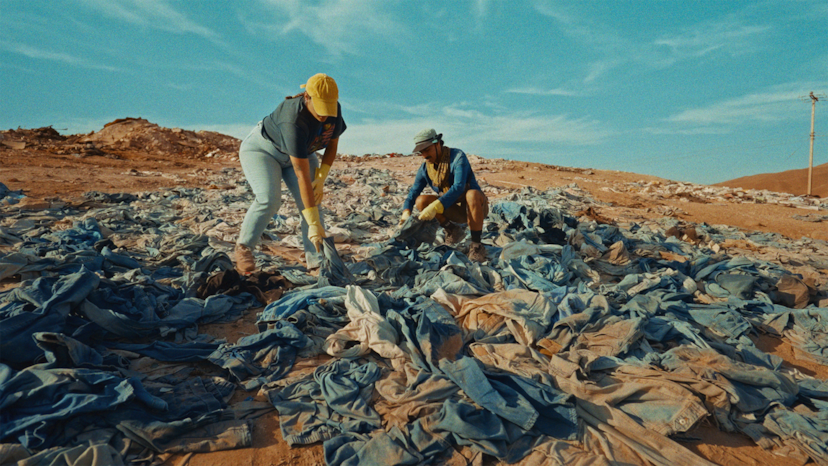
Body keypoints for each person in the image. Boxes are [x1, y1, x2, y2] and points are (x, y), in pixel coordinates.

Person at [234, 73, 346, 274]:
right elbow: (300, 172)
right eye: (319, 107)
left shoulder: (333, 110)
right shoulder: (292, 119)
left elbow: (332, 145)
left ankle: (317, 261)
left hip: (302, 152)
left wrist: (322, 177)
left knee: (313, 204)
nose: (324, 115)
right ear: (307, 97)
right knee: (269, 199)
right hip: (264, 151)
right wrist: (312, 222)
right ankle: (243, 248)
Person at [400, 128, 489, 262]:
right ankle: (453, 230)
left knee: (471, 194)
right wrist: (405, 212)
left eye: (427, 150)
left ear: (437, 144)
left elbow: (459, 186)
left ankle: (476, 245)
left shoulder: (457, 157)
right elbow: (414, 192)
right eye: (421, 152)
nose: (424, 155)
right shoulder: (426, 168)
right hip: (453, 211)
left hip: (474, 208)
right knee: (421, 201)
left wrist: (437, 205)